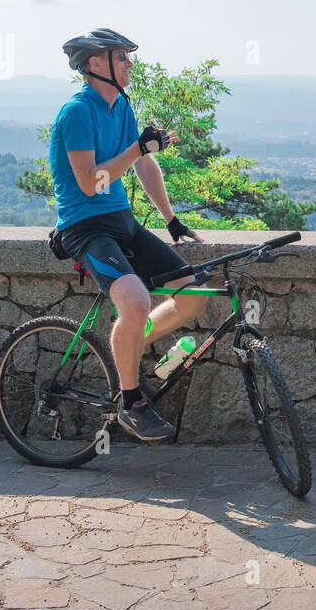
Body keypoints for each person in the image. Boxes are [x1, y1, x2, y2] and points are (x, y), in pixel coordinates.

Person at [50, 28, 205, 442]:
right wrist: (139, 148)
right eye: (122, 57)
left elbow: (142, 164)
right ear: (95, 63)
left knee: (193, 293)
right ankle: (130, 400)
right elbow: (90, 182)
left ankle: (128, 350)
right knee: (135, 301)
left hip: (122, 222)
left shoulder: (120, 107)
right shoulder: (77, 112)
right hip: (84, 228)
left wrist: (170, 219)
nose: (130, 64)